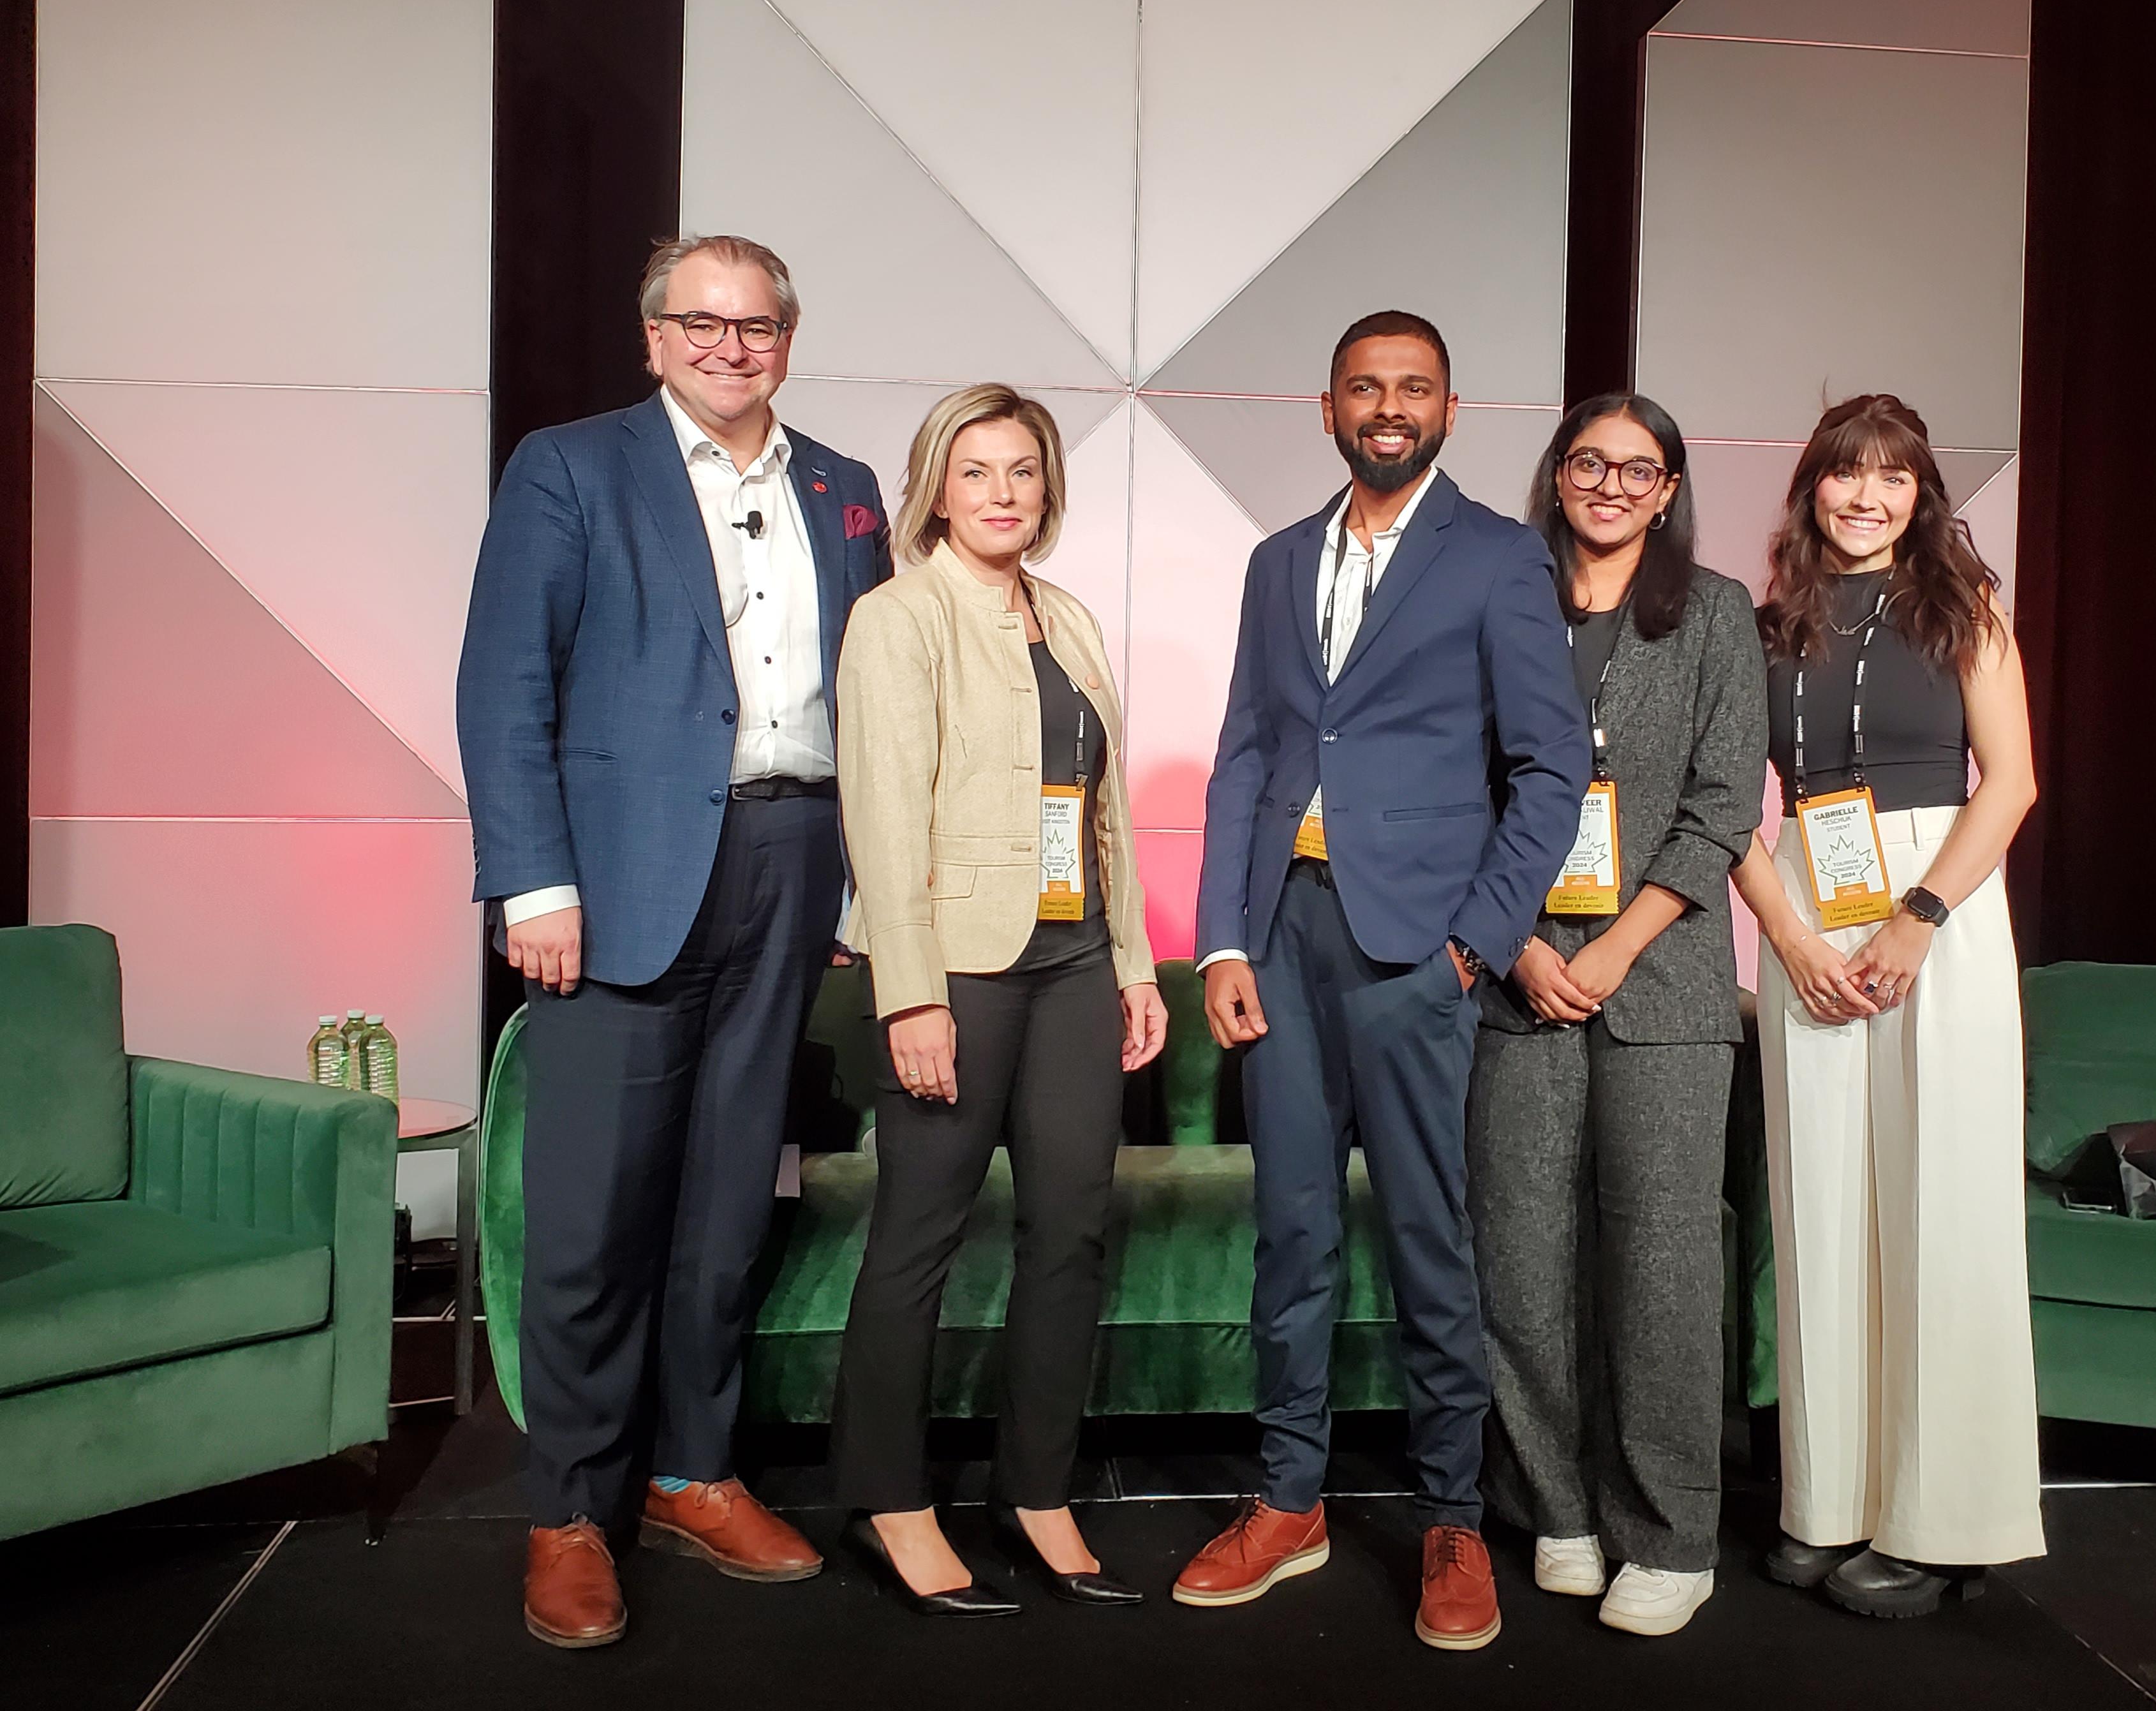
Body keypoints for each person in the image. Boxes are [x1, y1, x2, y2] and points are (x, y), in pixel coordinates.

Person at [457, 235, 892, 1648]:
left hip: (789, 861)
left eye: (754, 323)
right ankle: (569, 1510)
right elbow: (505, 680)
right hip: (619, 881)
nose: (728, 345)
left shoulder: (844, 490)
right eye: (697, 323)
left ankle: (692, 1472)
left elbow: (875, 701)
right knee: (591, 1220)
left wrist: (860, 891)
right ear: (651, 338)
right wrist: (533, 884)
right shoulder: (571, 469)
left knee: (724, 1211)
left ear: (787, 336)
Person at [1176, 312, 1589, 1652]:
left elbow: (1550, 770)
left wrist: (1477, 937)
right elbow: (1246, 754)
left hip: (1419, 950)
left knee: (1428, 1243)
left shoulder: (1500, 558)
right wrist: (1223, 940)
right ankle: (1288, 1499)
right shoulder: (1277, 561)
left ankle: (1452, 1519)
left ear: (1451, 410)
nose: (1390, 405)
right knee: (1292, 1235)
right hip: (1282, 939)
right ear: (1330, 405)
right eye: (1367, 386)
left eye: (1414, 388)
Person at [831, 384, 1169, 1617]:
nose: (1003, 492)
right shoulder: (898, 618)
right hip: (958, 973)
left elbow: (1107, 815)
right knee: (918, 1237)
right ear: (937, 485)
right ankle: (891, 1497)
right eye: (976, 471)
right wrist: (909, 999)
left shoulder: (1067, 617)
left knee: (1071, 1231)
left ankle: (1038, 1490)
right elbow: (880, 816)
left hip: (1075, 963)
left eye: (1023, 470)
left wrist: (1134, 963)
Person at [1729, 394, 2045, 1619]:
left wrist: (1918, 919)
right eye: (1843, 476)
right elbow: (1726, 800)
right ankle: (1832, 1503)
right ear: (1811, 489)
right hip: (1806, 905)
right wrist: (1791, 936)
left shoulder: (1966, 614)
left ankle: (1942, 1520)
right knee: (1821, 1218)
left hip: (1940, 906)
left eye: (1892, 480)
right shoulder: (1763, 628)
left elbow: (2010, 784)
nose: (1865, 498)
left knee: (1941, 1211)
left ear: (1922, 498)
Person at [1466, 393, 1766, 1638]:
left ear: (1669, 488)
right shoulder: (1494, 601)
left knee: (1662, 1270)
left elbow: (1721, 808)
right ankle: (1557, 1511)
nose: (1608, 482)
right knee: (1524, 1262)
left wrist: (1616, 950)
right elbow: (1454, 791)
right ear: (1557, 475)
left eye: (1637, 468)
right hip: (1515, 976)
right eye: (1588, 460)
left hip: (1668, 987)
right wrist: (1526, 945)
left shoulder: (1715, 617)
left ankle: (1670, 1533)